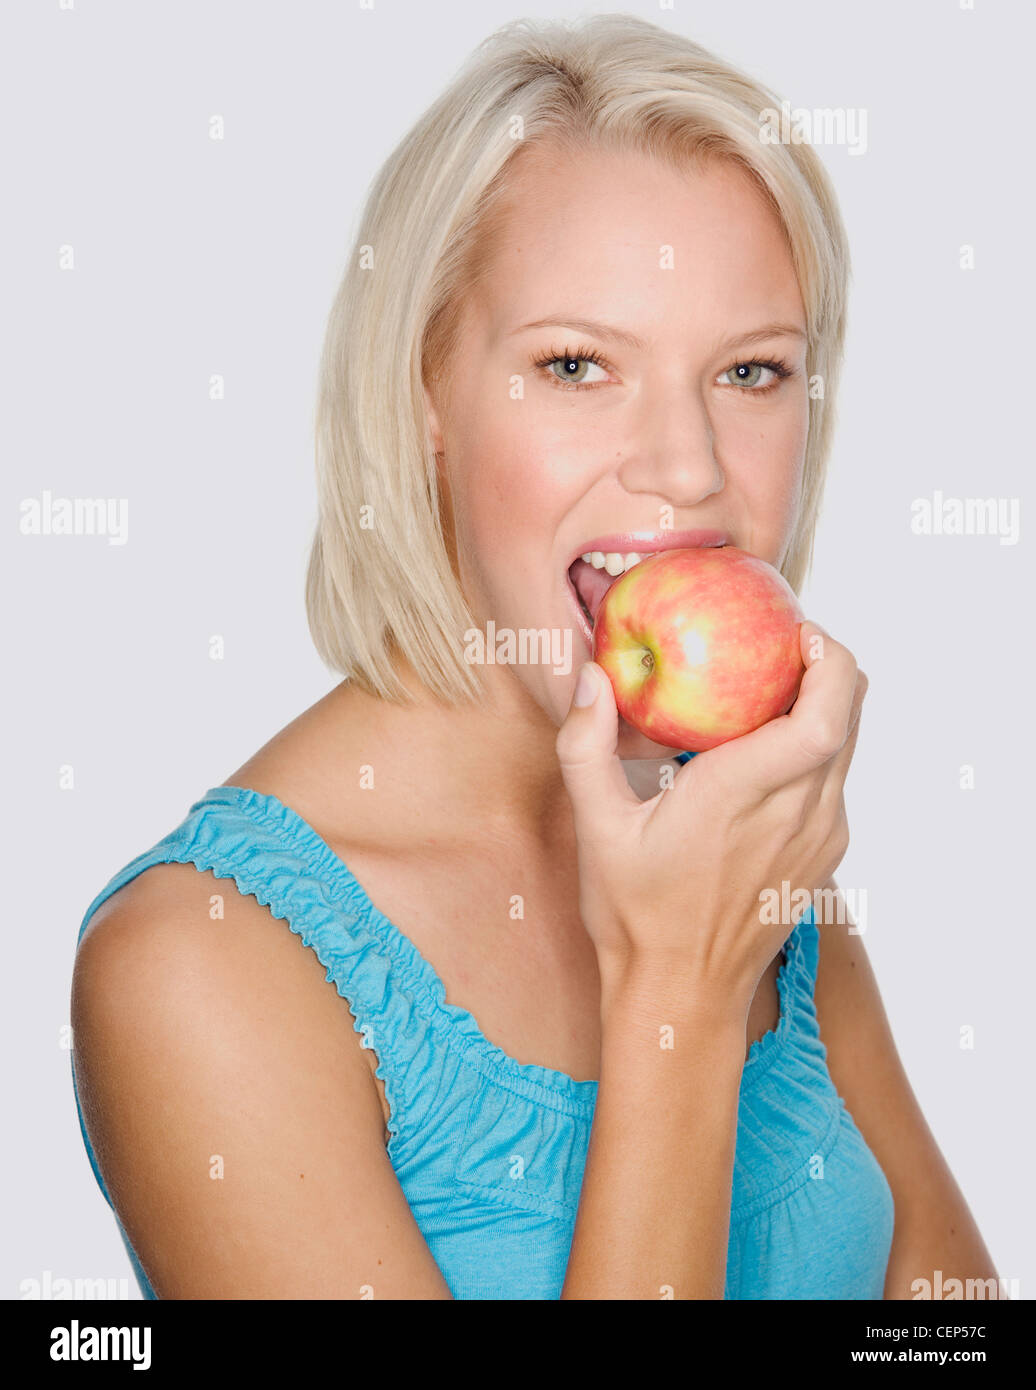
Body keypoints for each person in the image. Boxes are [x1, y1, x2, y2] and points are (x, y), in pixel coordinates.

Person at [70, 14, 998, 1300]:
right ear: (422, 396)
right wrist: (675, 991)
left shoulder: (741, 853)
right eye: (575, 365)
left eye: (750, 371)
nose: (685, 467)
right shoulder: (203, 964)